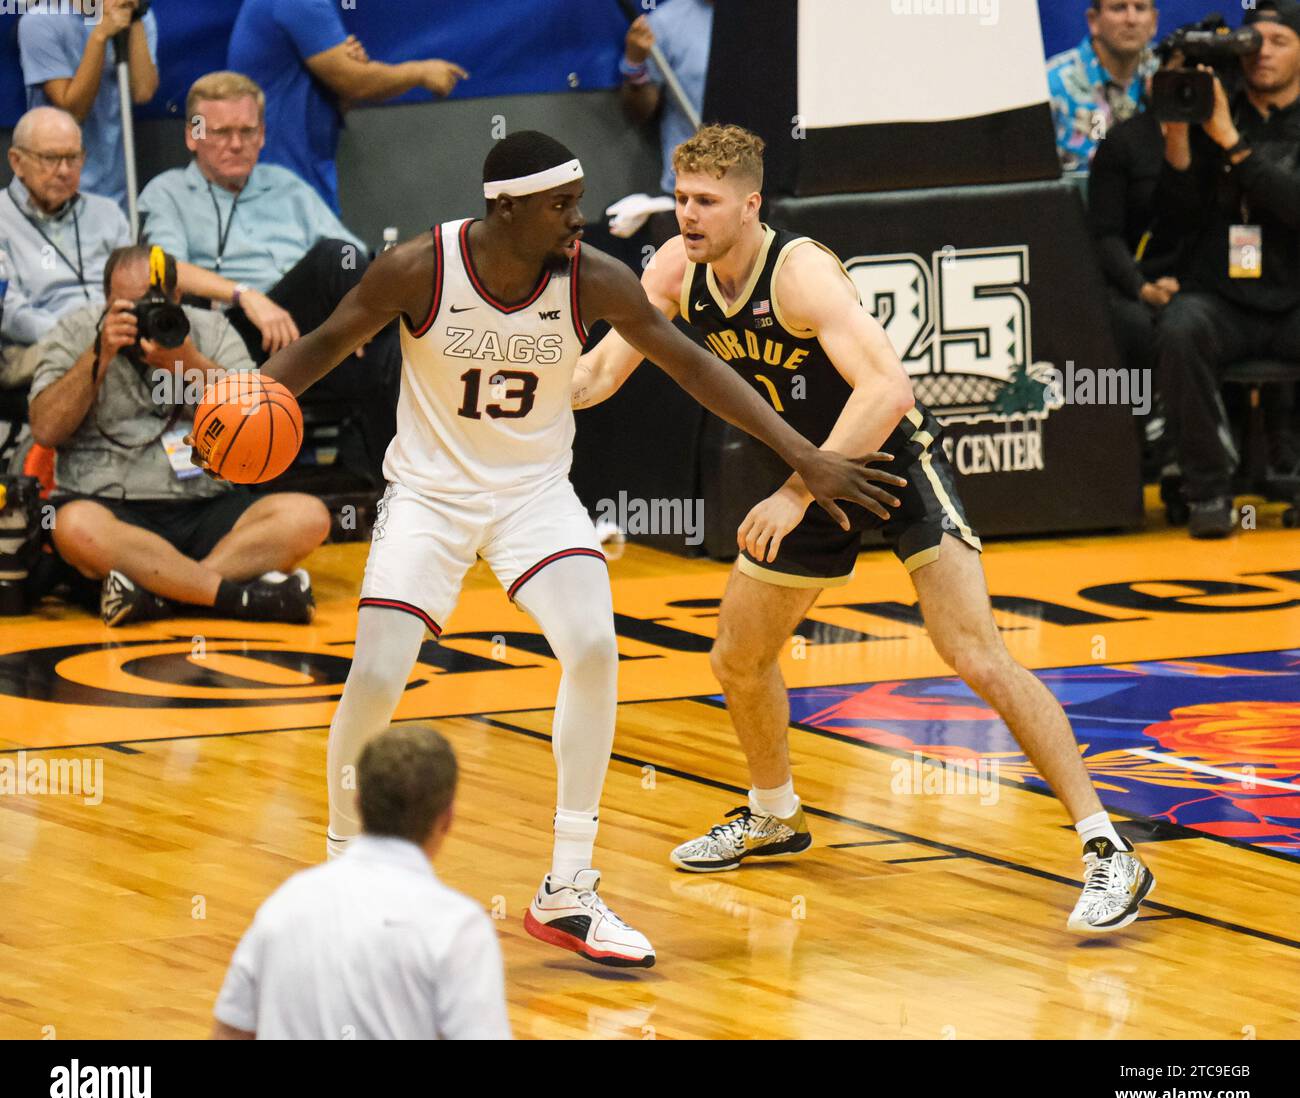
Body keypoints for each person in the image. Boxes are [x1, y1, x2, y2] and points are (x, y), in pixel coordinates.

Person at [189, 129, 904, 967]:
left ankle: (569, 886)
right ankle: (348, 869)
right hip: (428, 495)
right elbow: (324, 344)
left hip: (534, 497)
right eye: (562, 206)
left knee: (596, 647)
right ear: (505, 208)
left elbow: (695, 369)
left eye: (579, 201)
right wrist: (242, 408)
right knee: (379, 670)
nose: (580, 219)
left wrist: (804, 454)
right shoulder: (421, 267)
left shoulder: (594, 279)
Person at [574, 124, 1157, 935]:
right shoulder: (676, 268)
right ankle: (774, 812)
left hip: (885, 464)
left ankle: (1107, 849)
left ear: (750, 204)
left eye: (706, 202)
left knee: (973, 651)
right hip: (811, 475)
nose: (689, 216)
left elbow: (887, 388)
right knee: (737, 657)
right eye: (680, 199)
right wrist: (519, 387)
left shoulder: (801, 271)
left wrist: (793, 490)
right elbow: (600, 372)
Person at [28, 244, 330, 626]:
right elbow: (45, 428)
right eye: (129, 305)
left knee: (309, 516)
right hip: (110, 504)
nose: (143, 316)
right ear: (108, 300)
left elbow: (258, 412)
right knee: (71, 526)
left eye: (153, 303)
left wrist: (189, 364)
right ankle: (236, 597)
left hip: (205, 503)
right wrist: (99, 356)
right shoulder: (75, 330)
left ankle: (163, 594)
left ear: (176, 296)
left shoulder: (211, 330)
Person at [139, 71, 400, 481]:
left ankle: (396, 486)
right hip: (238, 336)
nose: (237, 143)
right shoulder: (167, 192)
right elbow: (163, 269)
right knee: (335, 258)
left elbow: (356, 261)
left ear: (262, 135)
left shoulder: (287, 187)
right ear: (193, 136)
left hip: (316, 343)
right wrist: (246, 296)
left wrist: (358, 322)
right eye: (221, 132)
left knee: (392, 348)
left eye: (247, 130)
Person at [212, 726, 511, 1040]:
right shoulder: (457, 927)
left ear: (356, 803)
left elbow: (231, 1031)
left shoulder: (285, 902)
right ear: (447, 818)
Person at [1154, 0, 1300, 537]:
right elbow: (1176, 220)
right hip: (1225, 299)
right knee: (1181, 326)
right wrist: (1177, 142)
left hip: (1294, 300)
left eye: (1279, 42)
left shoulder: (1230, 126)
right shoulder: (1213, 108)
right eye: (1253, 42)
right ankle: (1209, 492)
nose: (1263, 55)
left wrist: (1234, 146)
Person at [227, 0, 467, 214]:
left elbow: (344, 91)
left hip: (301, 174)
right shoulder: (301, 3)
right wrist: (420, 72)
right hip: (280, 178)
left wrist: (351, 71)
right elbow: (356, 83)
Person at [1087, 49, 1188, 489]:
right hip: (1133, 278)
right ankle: (1146, 430)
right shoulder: (1124, 142)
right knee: (1133, 323)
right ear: (1152, 81)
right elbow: (1105, 233)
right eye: (1174, 74)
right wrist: (1141, 286)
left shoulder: (1222, 135)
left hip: (1200, 278)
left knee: (1193, 320)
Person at [1, 107, 129, 391]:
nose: (63, 170)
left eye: (73, 158)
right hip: (37, 346)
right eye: (50, 158)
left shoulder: (108, 214)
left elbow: (134, 287)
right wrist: (82, 335)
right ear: (16, 161)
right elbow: (10, 314)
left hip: (115, 336)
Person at [18, 0, 159, 209]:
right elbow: (74, 111)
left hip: (116, 189)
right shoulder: (40, 21)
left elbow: (143, 92)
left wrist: (135, 19)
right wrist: (100, 35)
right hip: (55, 186)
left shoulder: (139, 17)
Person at [1047, 0, 1159, 174]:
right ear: (1093, 20)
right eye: (1119, 8)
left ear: (1154, 21)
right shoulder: (1052, 83)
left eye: (1140, 8)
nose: (1131, 19)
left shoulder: (1168, 76)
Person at [620, 0, 714, 196]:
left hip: (757, 179)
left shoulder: (769, 19)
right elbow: (639, 111)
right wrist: (635, 65)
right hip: (691, 186)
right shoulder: (664, 23)